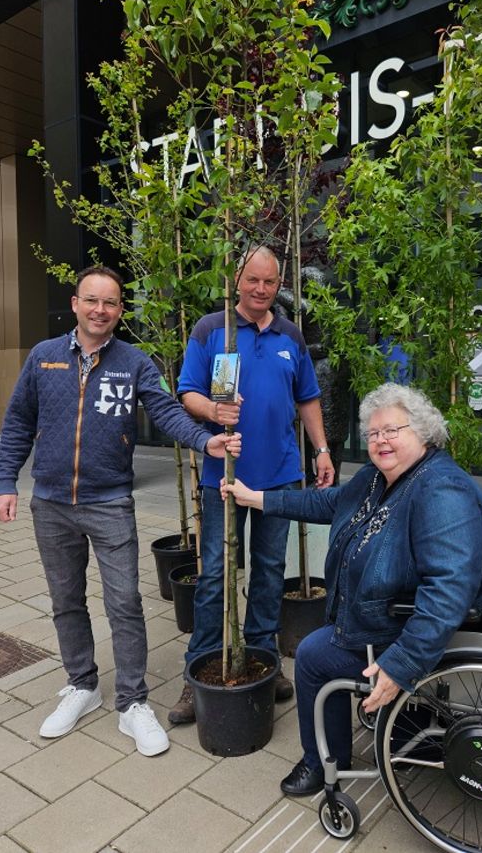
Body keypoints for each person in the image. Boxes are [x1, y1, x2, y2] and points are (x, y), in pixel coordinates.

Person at [0, 265, 241, 757]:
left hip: (109, 503)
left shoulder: (133, 362)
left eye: (110, 303)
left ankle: (132, 702)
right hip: (51, 502)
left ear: (120, 310)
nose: (100, 310)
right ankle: (82, 686)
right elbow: (18, 421)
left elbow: (168, 411)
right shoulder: (44, 359)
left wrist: (205, 440)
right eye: (92, 300)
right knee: (66, 600)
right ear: (75, 304)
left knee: (125, 603)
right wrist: (5, 483)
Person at [222, 382, 482, 796]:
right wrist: (257, 498)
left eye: (392, 430)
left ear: (423, 432)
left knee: (314, 656)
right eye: (372, 434)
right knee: (323, 637)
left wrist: (401, 665)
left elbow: (448, 593)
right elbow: (329, 504)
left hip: (418, 631)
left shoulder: (442, 491)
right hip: (386, 612)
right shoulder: (380, 477)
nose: (380, 440)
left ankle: (323, 763)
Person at [168, 245, 335, 724]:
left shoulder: (290, 336)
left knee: (268, 571)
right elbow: (187, 392)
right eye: (253, 281)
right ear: (236, 280)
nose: (261, 290)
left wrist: (320, 449)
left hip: (280, 476)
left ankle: (265, 658)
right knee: (217, 572)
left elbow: (308, 398)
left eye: (270, 282)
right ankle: (197, 668)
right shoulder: (210, 329)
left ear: (278, 284)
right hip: (224, 476)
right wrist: (213, 411)